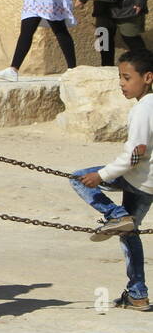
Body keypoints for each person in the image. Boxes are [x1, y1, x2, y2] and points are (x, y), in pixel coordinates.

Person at [68, 49, 153, 311]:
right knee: (129, 234)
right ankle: (137, 294)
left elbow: (135, 156)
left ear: (148, 77)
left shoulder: (143, 110)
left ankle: (114, 213)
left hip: (138, 179)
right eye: (120, 77)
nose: (121, 84)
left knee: (78, 178)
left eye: (127, 78)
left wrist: (101, 175)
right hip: (148, 183)